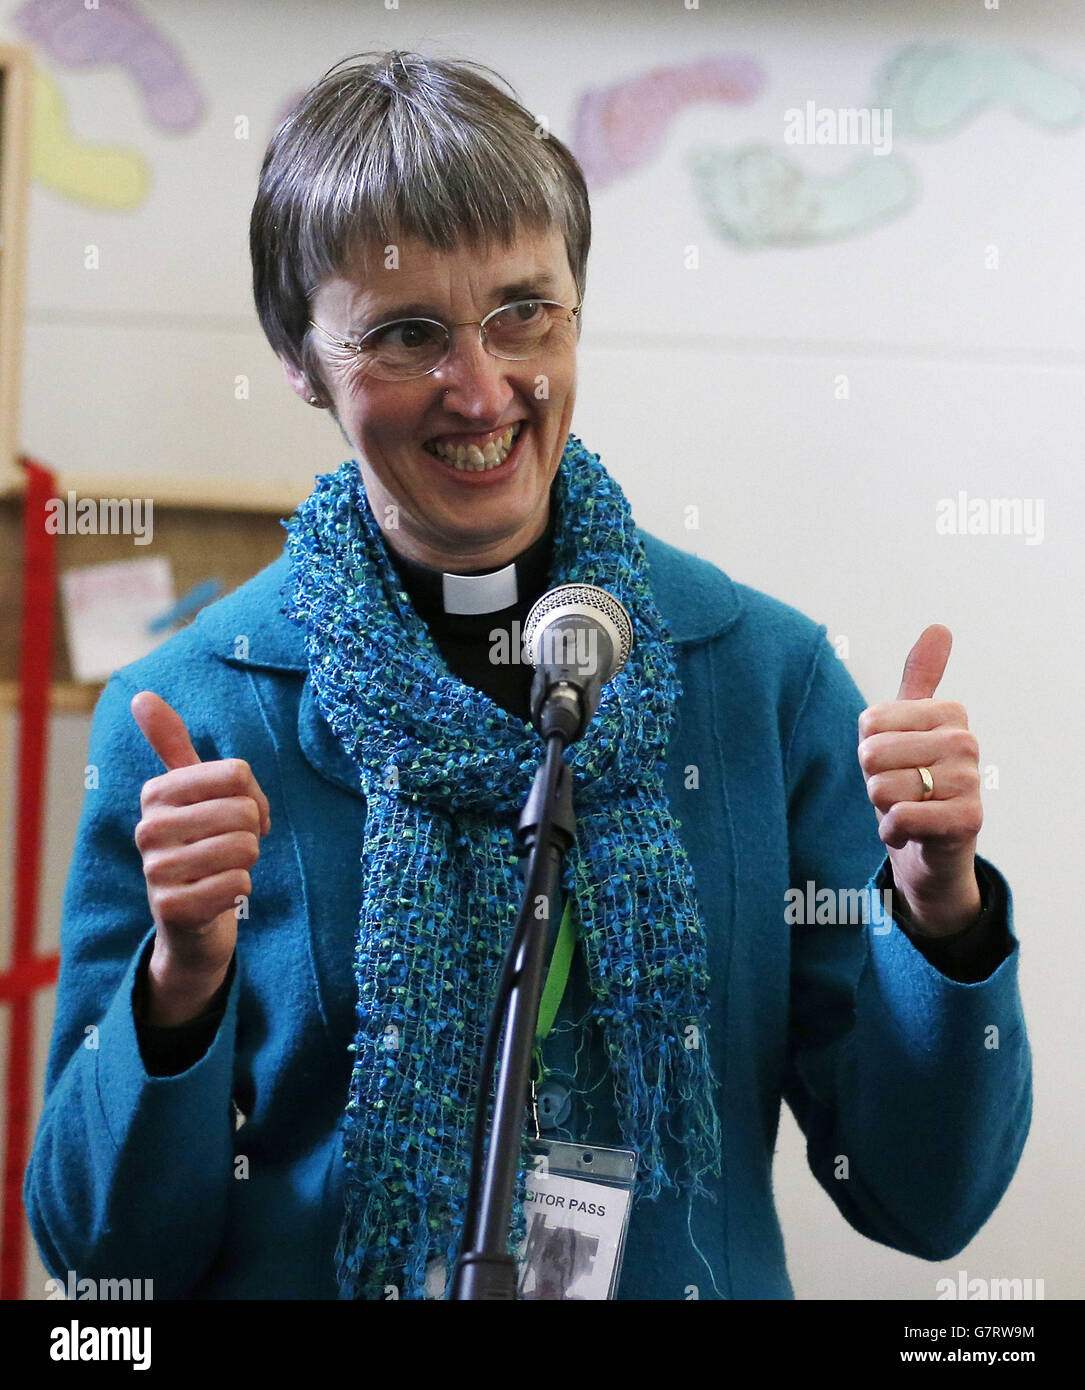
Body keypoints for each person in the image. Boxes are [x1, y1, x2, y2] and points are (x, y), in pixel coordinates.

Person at [24, 50, 1031, 1301]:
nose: (481, 387)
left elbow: (925, 1201)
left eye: (523, 313)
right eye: (405, 335)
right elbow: (101, 1263)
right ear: (298, 359)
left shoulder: (757, 680)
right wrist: (178, 985)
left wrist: (940, 917)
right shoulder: (196, 715)